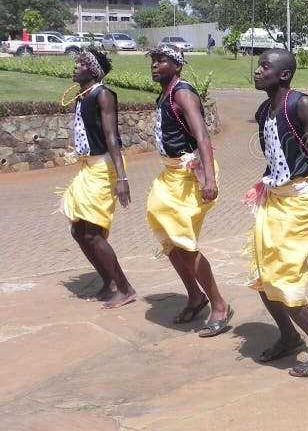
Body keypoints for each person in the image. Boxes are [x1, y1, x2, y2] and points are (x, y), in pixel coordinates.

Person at [247, 48, 308, 377]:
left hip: (301, 204)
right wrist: (266, 183)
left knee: (284, 277)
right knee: (263, 275)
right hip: (274, 201)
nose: (258, 71)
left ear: (284, 75)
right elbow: (277, 155)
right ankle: (288, 336)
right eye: (258, 65)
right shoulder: (263, 110)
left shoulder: (301, 105)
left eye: (265, 67)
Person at [145, 45, 232, 337]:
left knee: (184, 241)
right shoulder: (165, 93)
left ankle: (219, 305)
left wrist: (210, 180)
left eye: (162, 61)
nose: (155, 65)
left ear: (177, 66)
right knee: (168, 238)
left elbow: (203, 137)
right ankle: (195, 297)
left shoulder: (182, 93)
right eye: (153, 61)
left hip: (191, 177)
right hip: (170, 176)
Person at [59, 48, 136, 308]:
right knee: (78, 230)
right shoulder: (83, 96)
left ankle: (125, 288)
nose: (76, 66)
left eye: (81, 63)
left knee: (93, 233)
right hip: (88, 168)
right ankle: (109, 282)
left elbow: (111, 136)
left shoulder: (103, 95)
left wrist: (122, 178)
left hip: (104, 168)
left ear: (93, 70)